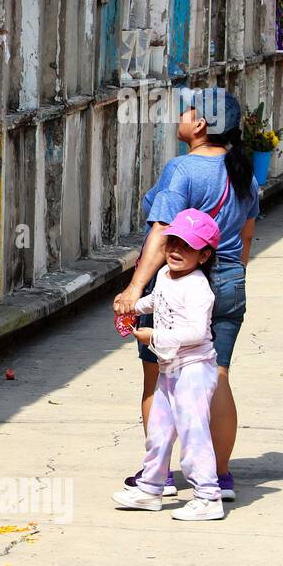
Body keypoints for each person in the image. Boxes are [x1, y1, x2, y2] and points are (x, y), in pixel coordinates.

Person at [114, 88, 259, 500]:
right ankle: (221, 476)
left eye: (186, 112)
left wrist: (135, 288)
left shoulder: (183, 170)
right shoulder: (243, 172)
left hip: (177, 286)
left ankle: (155, 475)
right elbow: (247, 235)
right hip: (229, 277)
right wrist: (229, 277)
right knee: (218, 375)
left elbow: (160, 232)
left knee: (157, 377)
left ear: (200, 125)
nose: (179, 117)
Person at [113, 210, 226, 521]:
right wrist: (133, 305)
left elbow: (197, 332)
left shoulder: (198, 288)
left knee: (193, 433)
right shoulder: (164, 275)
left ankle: (207, 496)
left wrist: (154, 336)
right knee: (159, 431)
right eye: (172, 242)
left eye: (187, 247)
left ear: (204, 255)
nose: (176, 250)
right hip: (169, 370)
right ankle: (151, 488)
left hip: (193, 370)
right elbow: (158, 300)